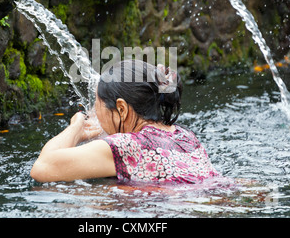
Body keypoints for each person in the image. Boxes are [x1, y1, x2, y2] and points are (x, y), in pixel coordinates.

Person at [31, 59, 220, 183]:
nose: (94, 112)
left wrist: (76, 127)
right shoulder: (183, 134)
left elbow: (42, 168)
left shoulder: (125, 145)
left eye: (97, 104)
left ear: (121, 109)